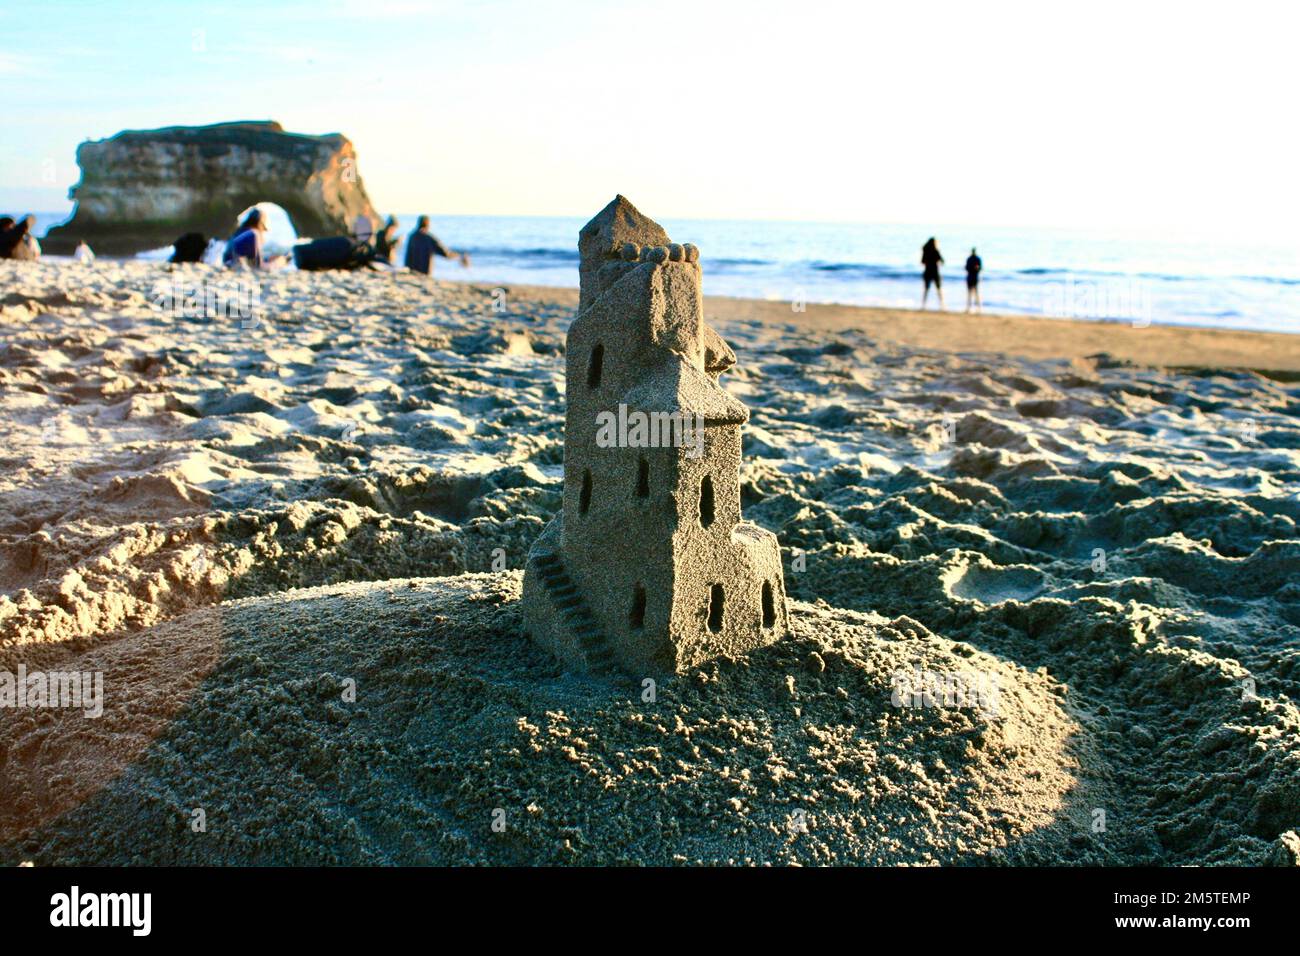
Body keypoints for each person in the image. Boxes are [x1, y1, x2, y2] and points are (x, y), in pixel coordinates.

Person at [404, 215, 469, 276]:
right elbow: (446, 253)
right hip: (425, 274)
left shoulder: (412, 236)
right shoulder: (429, 238)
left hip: (412, 273)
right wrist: (460, 255)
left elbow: (407, 257)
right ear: (428, 224)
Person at [921, 237, 943, 310]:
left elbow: (922, 262)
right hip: (935, 272)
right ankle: (942, 305)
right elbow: (942, 261)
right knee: (938, 289)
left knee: (926, 289)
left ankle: (923, 305)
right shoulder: (936, 251)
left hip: (927, 271)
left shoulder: (925, 251)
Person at [965, 247, 982, 313]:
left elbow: (966, 268)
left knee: (973, 293)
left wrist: (975, 269)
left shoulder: (970, 259)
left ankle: (975, 308)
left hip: (972, 277)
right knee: (974, 293)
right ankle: (973, 308)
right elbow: (979, 268)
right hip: (973, 277)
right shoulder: (975, 259)